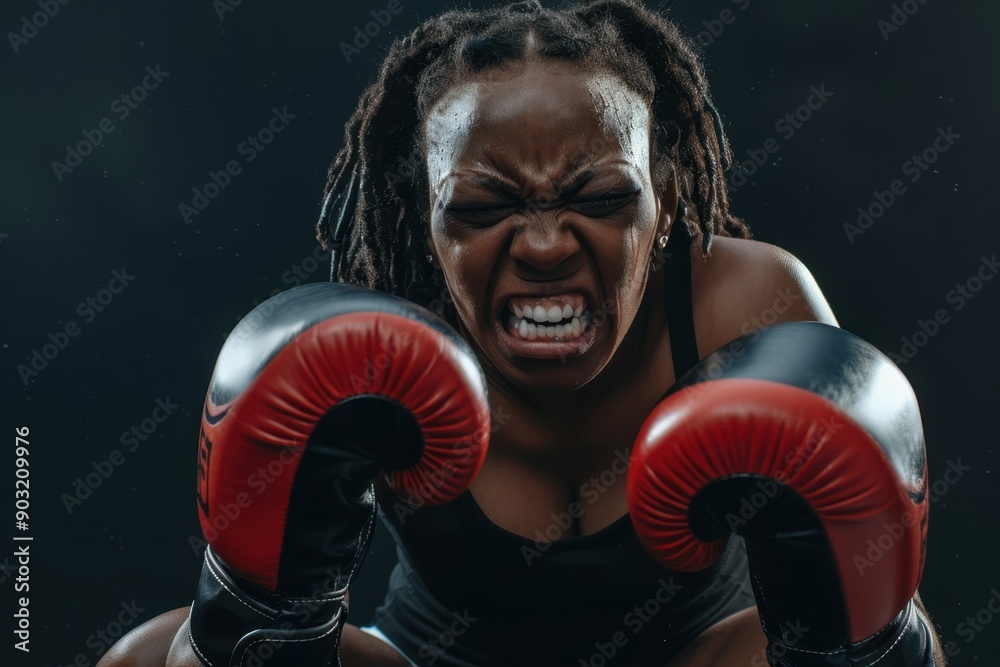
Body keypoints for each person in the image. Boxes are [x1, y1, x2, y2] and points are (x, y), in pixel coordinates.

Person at [98, 1, 945, 665]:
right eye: (481, 206)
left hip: (697, 657)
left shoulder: (746, 302)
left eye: (602, 197)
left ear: (665, 202)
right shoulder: (379, 332)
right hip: (433, 659)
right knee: (151, 654)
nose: (544, 246)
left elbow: (881, 603)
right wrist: (260, 611)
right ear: (425, 219)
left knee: (881, 644)